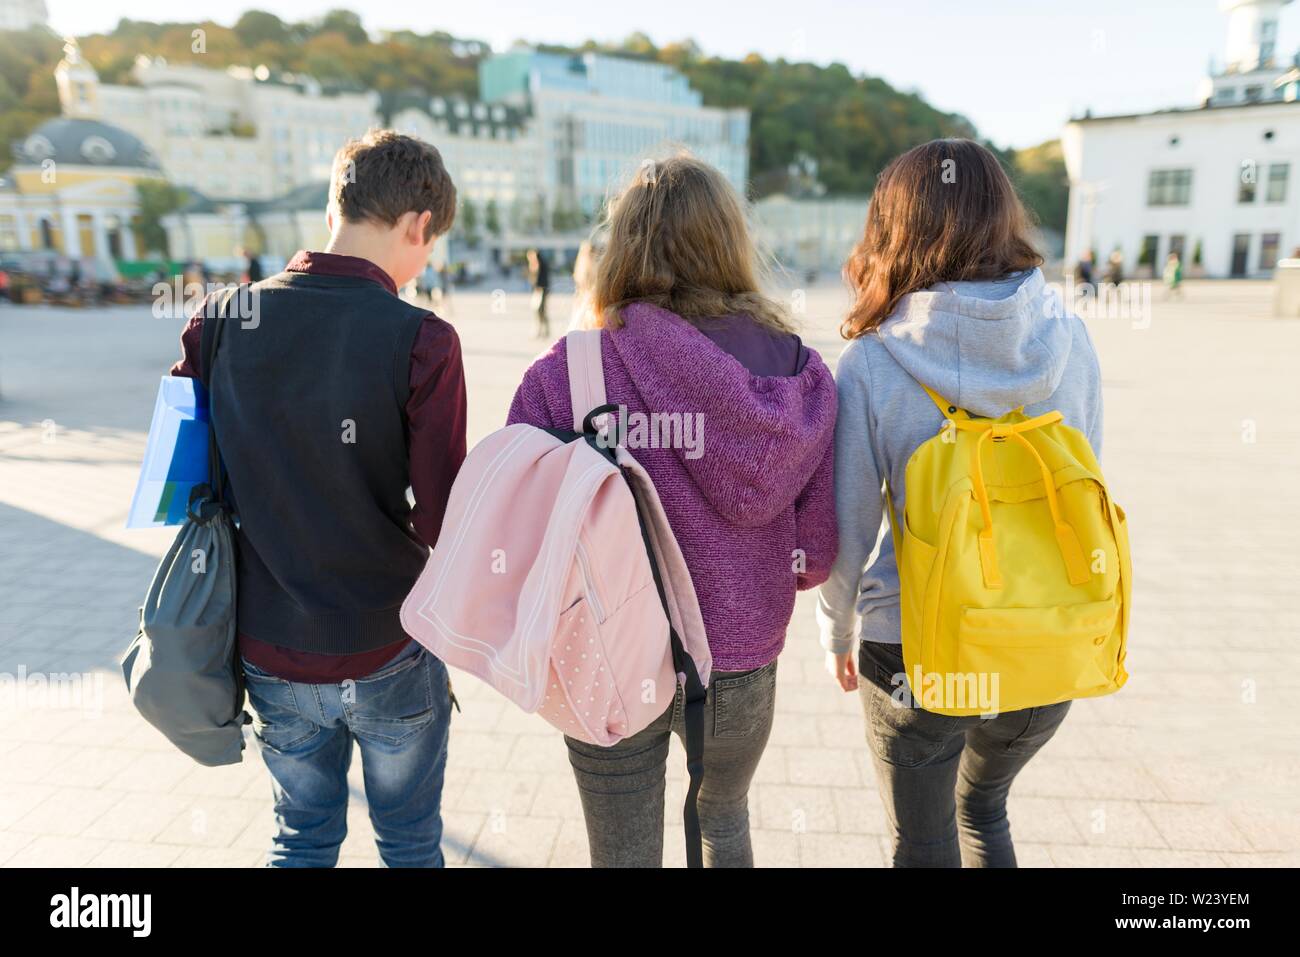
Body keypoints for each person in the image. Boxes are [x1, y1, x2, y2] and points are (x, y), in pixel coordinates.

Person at [506, 154, 838, 867]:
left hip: (604, 646)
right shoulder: (791, 368)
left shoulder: (566, 372)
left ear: (621, 247)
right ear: (730, 242)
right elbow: (817, 547)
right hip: (740, 654)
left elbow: (523, 530)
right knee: (722, 818)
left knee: (621, 852)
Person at [169, 129, 467, 867]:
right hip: (389, 641)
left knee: (300, 840)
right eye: (428, 246)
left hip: (270, 644)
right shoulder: (424, 340)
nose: (423, 262)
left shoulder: (219, 321)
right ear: (418, 225)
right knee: (408, 842)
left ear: (336, 202)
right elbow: (443, 520)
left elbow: (179, 487)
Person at [817, 139, 1104, 868]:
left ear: (893, 228)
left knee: (924, 838)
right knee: (983, 808)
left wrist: (836, 632)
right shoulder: (1072, 339)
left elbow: (847, 531)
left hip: (917, 647)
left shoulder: (875, 360)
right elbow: (1086, 488)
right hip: (1043, 647)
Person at [526, 246, 551, 337]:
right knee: (538, 310)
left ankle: (544, 330)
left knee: (541, 310)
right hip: (538, 291)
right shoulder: (536, 264)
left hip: (541, 290)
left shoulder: (540, 264)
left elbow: (540, 279)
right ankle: (542, 329)